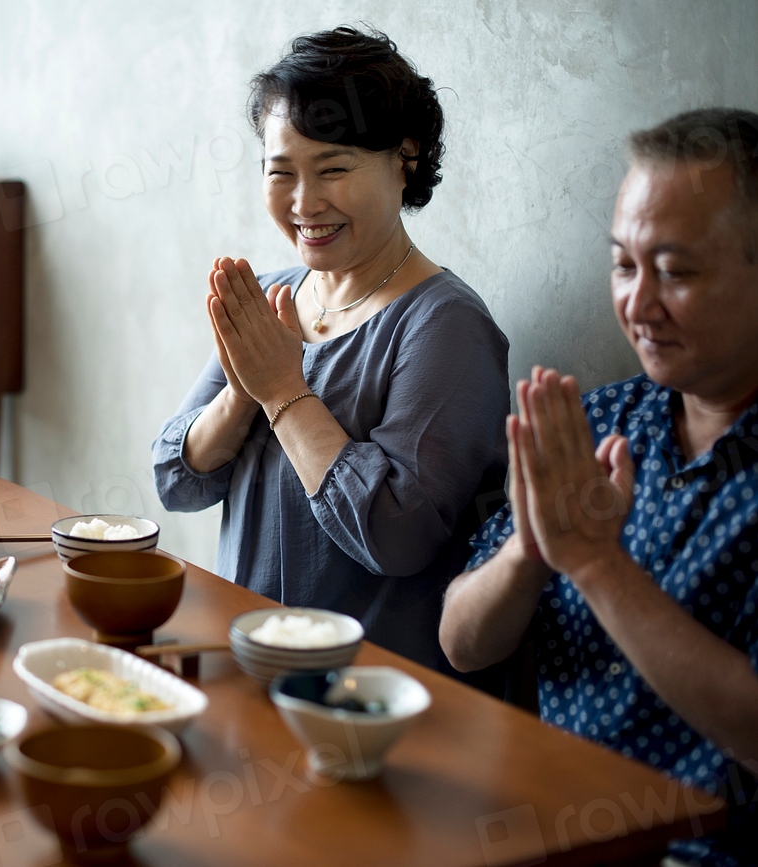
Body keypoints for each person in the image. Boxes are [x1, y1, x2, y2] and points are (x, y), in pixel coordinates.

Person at [439, 108, 758, 865]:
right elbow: (461, 641)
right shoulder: (595, 422)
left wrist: (596, 562)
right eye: (624, 264)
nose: (637, 305)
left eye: (675, 271)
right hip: (541, 824)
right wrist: (530, 550)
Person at [152, 27, 510, 675]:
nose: (304, 203)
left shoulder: (447, 325)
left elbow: (398, 534)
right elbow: (175, 478)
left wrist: (285, 394)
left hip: (369, 701)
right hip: (246, 661)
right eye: (280, 172)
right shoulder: (270, 294)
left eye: (334, 168)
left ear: (405, 156)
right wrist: (243, 391)